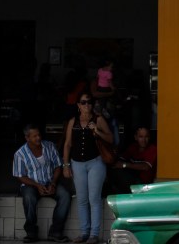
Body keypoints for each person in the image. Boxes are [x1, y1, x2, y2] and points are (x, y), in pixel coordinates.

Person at [63, 94, 114, 244]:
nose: (87, 105)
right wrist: (66, 165)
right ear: (78, 105)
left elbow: (111, 138)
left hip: (95, 162)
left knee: (94, 199)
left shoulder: (98, 119)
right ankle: (84, 232)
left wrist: (97, 130)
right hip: (77, 163)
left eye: (89, 102)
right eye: (83, 102)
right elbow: (67, 144)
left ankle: (94, 234)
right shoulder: (73, 122)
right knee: (82, 199)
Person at [12, 125, 71, 244]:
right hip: (31, 185)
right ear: (27, 138)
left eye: (39, 135)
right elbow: (19, 175)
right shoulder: (20, 154)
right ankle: (31, 233)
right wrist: (37, 186)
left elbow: (58, 166)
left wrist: (53, 183)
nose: (38, 138)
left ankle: (55, 232)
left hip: (50, 182)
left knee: (65, 195)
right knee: (28, 197)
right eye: (34, 136)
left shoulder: (49, 146)